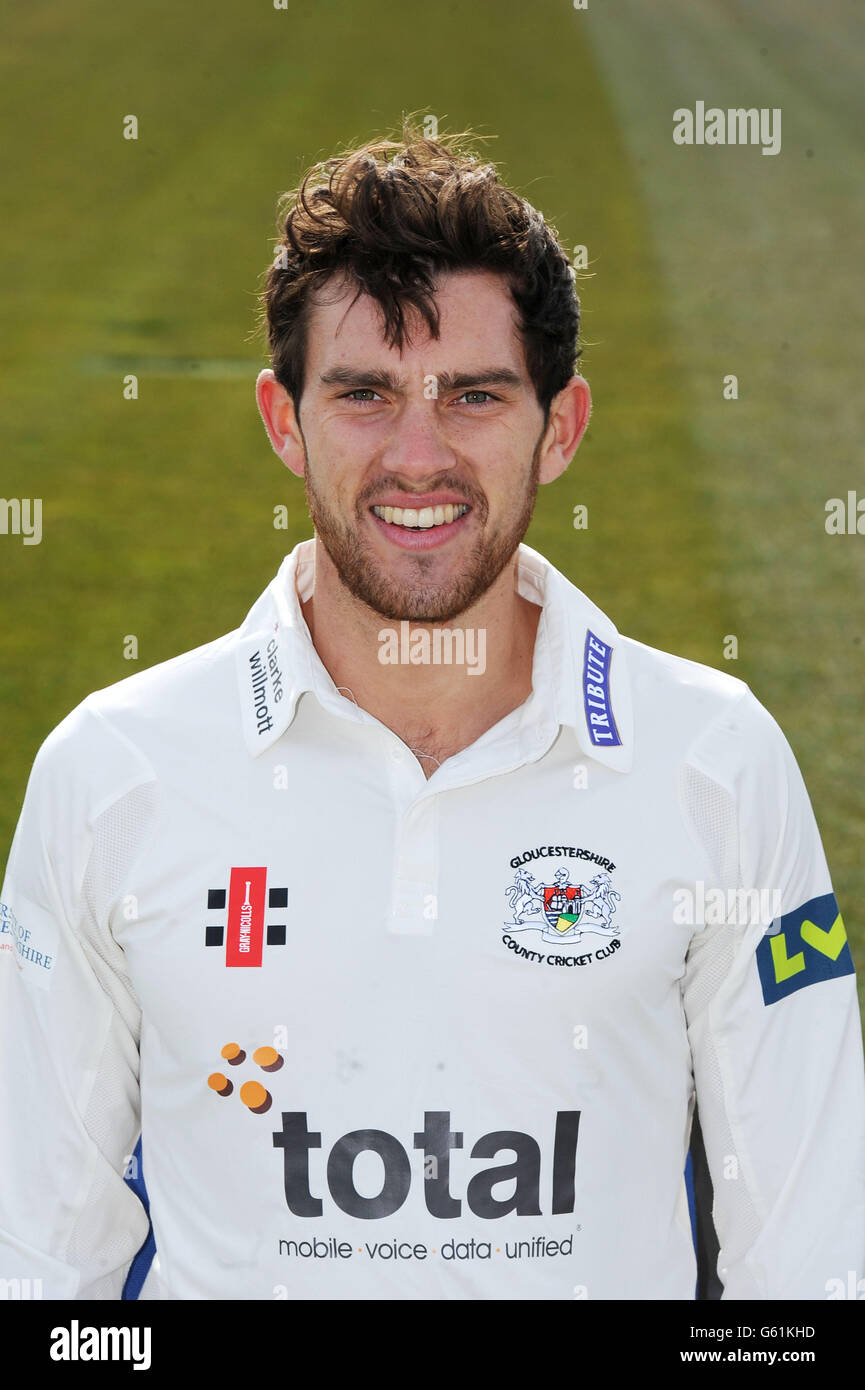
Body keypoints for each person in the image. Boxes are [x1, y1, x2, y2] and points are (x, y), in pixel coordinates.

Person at [1, 125, 863, 1302]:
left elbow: (810, 1258)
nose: (419, 455)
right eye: (363, 393)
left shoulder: (712, 756)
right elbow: (39, 1263)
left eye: (472, 395)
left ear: (558, 428)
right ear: (282, 420)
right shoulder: (113, 768)